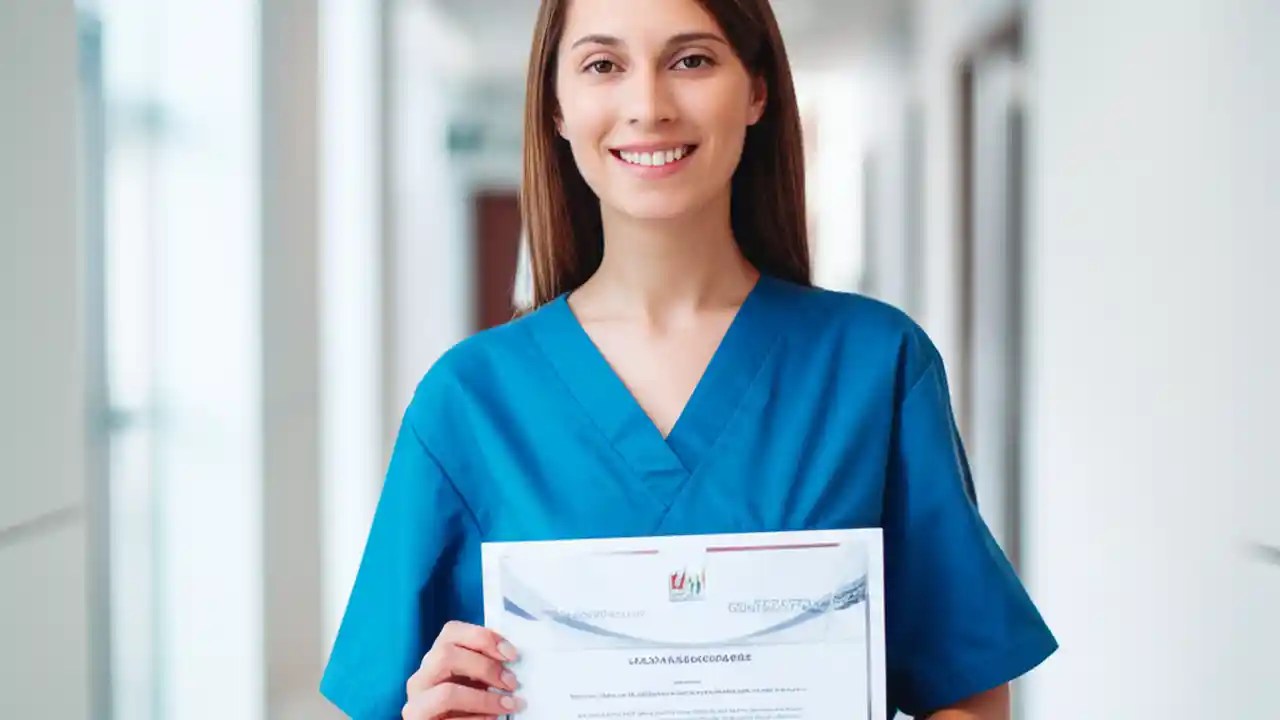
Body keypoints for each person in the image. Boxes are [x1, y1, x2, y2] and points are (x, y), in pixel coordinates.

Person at [319, 0, 1057, 717]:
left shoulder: (874, 367)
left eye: (692, 59)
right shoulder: (470, 400)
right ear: (556, 107)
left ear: (757, 90)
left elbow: (968, 686)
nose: (649, 104)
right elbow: (380, 696)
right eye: (604, 64)